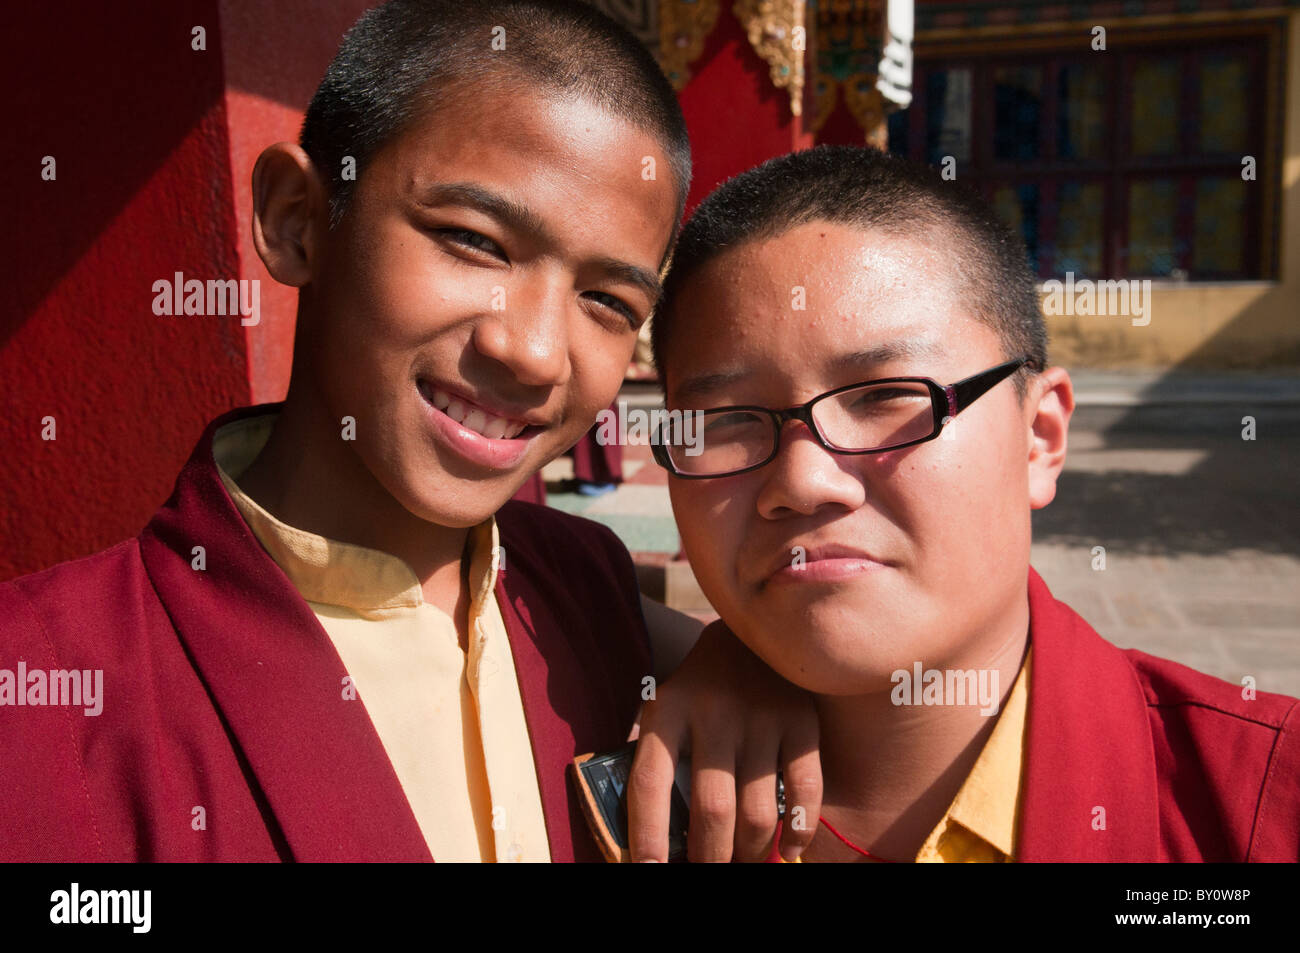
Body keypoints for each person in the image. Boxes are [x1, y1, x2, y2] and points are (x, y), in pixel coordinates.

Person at [0, 0, 817, 863]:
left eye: (608, 302)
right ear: (296, 218)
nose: (535, 352)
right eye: (474, 240)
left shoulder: (583, 594)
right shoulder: (50, 691)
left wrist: (751, 662)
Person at [631, 145, 1300, 862]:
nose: (802, 481)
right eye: (724, 419)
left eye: (888, 397)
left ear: (1039, 436)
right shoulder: (604, 781)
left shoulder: (1257, 805)